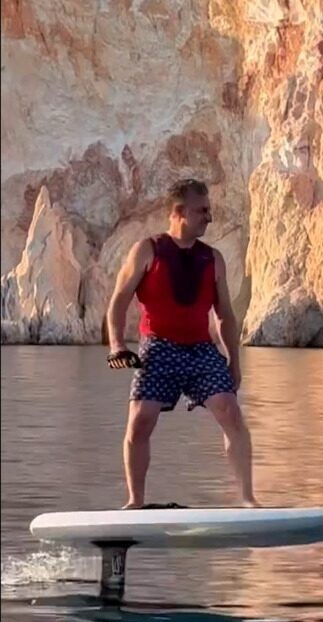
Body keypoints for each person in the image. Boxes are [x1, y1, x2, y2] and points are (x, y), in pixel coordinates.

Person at [104, 179, 258, 509]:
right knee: (140, 418)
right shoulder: (147, 249)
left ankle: (247, 499)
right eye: (202, 210)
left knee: (230, 411)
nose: (209, 217)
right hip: (159, 348)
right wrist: (117, 344)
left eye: (209, 210)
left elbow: (225, 315)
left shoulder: (213, 258)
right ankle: (136, 501)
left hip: (201, 350)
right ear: (179, 212)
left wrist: (234, 361)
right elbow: (118, 300)